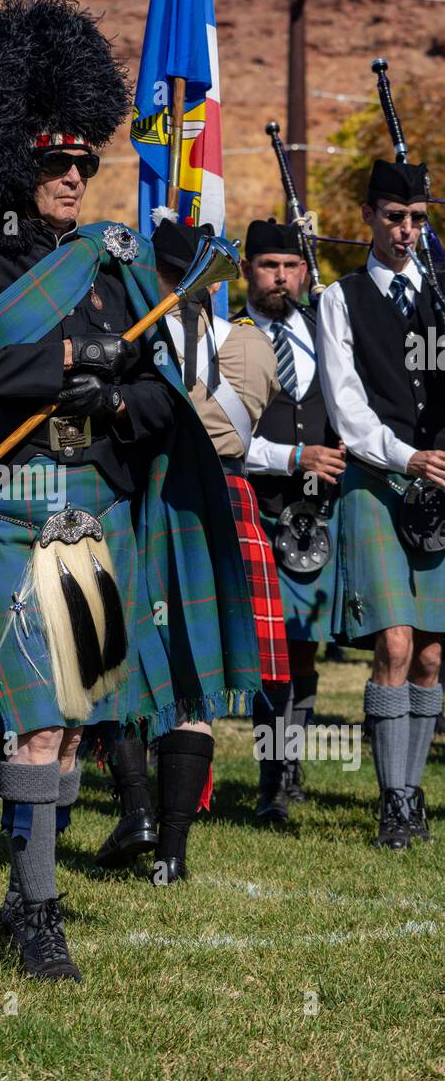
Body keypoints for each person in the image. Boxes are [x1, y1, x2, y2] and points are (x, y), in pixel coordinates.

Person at [0, 0, 260, 981]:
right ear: (15, 159)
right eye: (57, 161)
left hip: (89, 509)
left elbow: (158, 398)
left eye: (85, 161)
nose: (75, 176)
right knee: (34, 716)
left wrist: (119, 403)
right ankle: (38, 912)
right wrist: (71, 354)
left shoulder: (111, 264)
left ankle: (25, 887)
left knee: (71, 720)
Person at [317, 159, 445, 849]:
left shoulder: (443, 293)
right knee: (394, 642)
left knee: (430, 656)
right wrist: (407, 456)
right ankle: (393, 800)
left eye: (418, 220)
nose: (406, 232)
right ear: (368, 216)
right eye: (394, 218)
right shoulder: (340, 299)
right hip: (377, 479)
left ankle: (414, 788)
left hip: (441, 483)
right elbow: (346, 405)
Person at [154, 213, 292, 832]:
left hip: (222, 493)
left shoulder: (248, 344)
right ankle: (148, 802)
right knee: (152, 654)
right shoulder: (144, 336)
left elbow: (227, 431)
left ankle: (274, 783)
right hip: (160, 495)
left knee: (244, 661)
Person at [244, 219, 346, 819]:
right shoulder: (229, 339)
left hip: (319, 515)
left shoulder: (324, 331)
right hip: (259, 509)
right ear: (248, 271)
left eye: (290, 266)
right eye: (267, 266)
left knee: (304, 647)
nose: (280, 277)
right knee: (271, 649)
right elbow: (223, 433)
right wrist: (290, 455)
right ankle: (269, 779)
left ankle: (290, 763)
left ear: (304, 272)